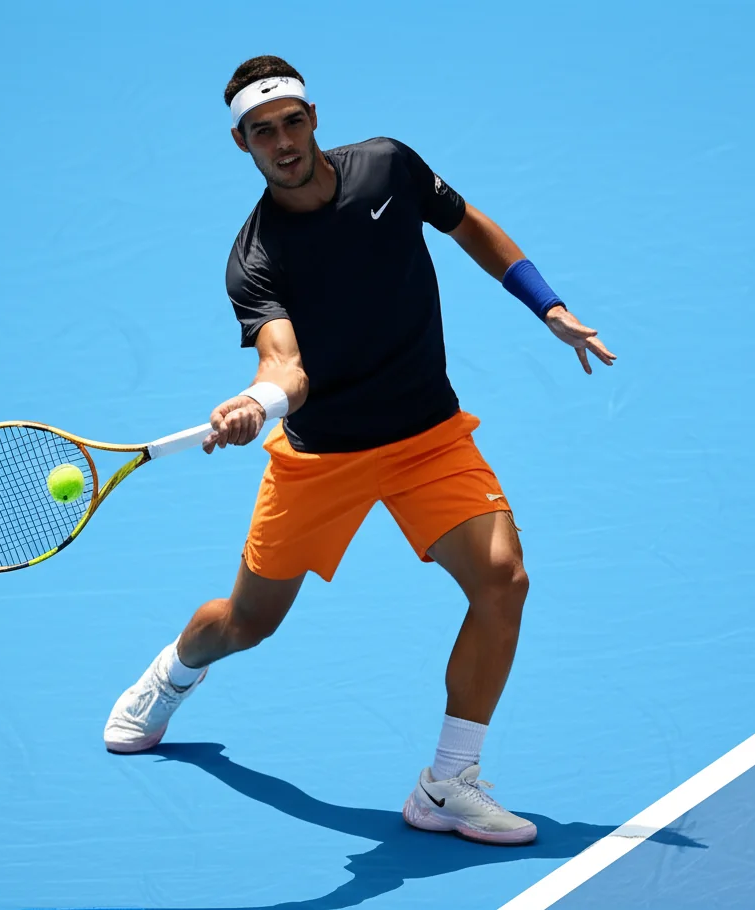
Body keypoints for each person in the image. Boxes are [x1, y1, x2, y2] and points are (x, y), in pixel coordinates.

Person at [104, 55, 616, 846]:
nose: (283, 141)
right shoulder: (256, 259)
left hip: (427, 436)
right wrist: (257, 401)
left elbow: (468, 223)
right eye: (262, 132)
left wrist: (545, 304)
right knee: (246, 622)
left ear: (314, 119)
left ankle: (447, 784)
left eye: (292, 122)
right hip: (322, 458)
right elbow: (287, 366)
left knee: (503, 580)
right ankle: (175, 669)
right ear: (240, 143)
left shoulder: (387, 165)